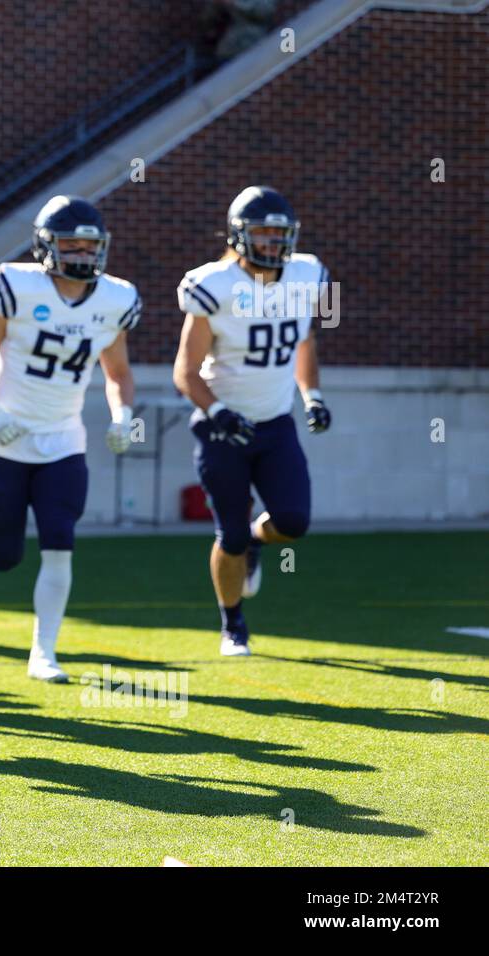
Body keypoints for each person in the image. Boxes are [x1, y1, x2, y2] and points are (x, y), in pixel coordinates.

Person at [0, 195, 139, 683]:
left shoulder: (114, 299)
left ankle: (44, 652)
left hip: (64, 440)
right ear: (46, 245)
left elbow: (117, 371)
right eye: (71, 244)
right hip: (4, 439)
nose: (82, 253)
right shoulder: (15, 287)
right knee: (3, 558)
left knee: (60, 541)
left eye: (90, 245)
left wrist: (123, 415)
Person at [173, 185, 331, 657]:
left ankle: (259, 542)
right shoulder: (214, 285)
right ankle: (232, 622)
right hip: (220, 426)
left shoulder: (307, 274)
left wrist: (313, 396)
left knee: (293, 521)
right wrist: (218, 412)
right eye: (261, 234)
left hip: (275, 422)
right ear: (239, 236)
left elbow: (304, 341)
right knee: (231, 532)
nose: (272, 244)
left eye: (279, 235)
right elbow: (184, 371)